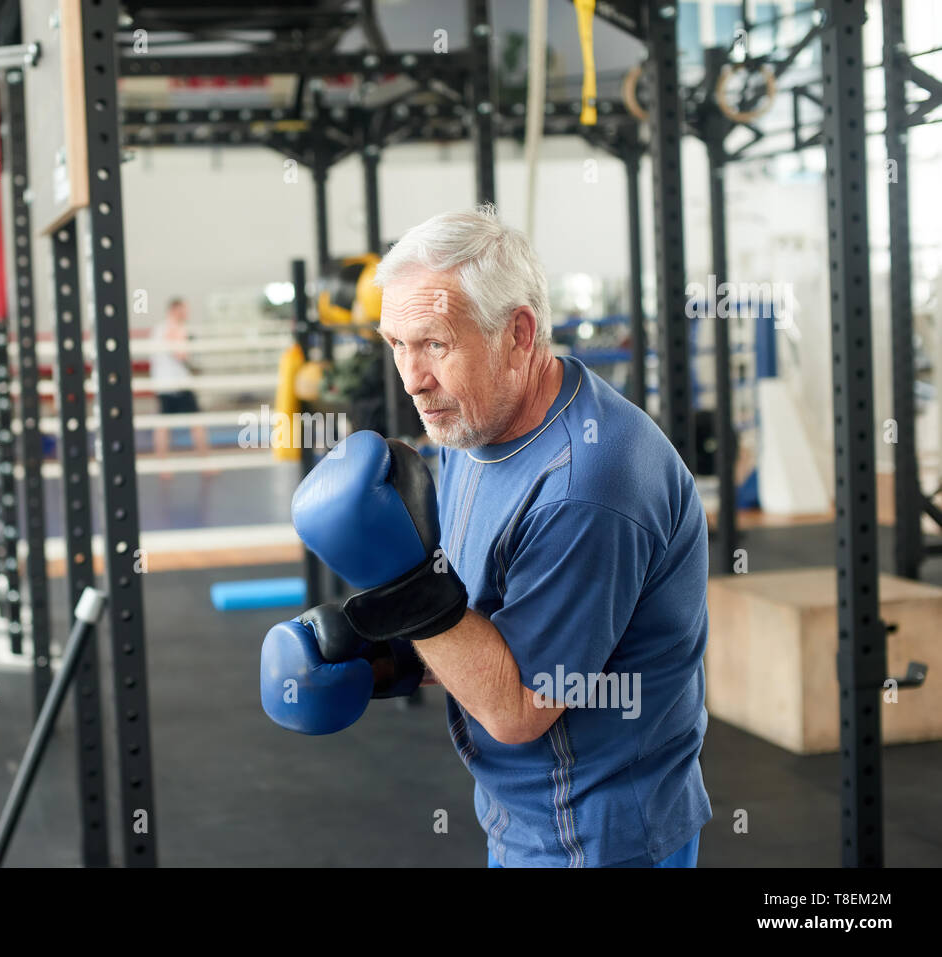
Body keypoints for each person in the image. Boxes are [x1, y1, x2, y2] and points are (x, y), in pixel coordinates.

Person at [261, 205, 710, 868]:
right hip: (527, 822)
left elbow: (519, 704)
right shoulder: (474, 426)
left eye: (435, 343)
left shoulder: (587, 485)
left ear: (518, 334)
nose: (412, 378)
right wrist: (385, 653)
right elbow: (487, 617)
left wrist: (405, 591)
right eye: (396, 344)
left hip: (598, 841)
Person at [151, 297, 210, 466]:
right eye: (184, 310)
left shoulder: (163, 329)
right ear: (175, 310)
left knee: (190, 423)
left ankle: (204, 462)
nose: (187, 313)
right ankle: (165, 465)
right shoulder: (168, 329)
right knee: (167, 426)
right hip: (171, 384)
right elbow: (180, 354)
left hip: (173, 383)